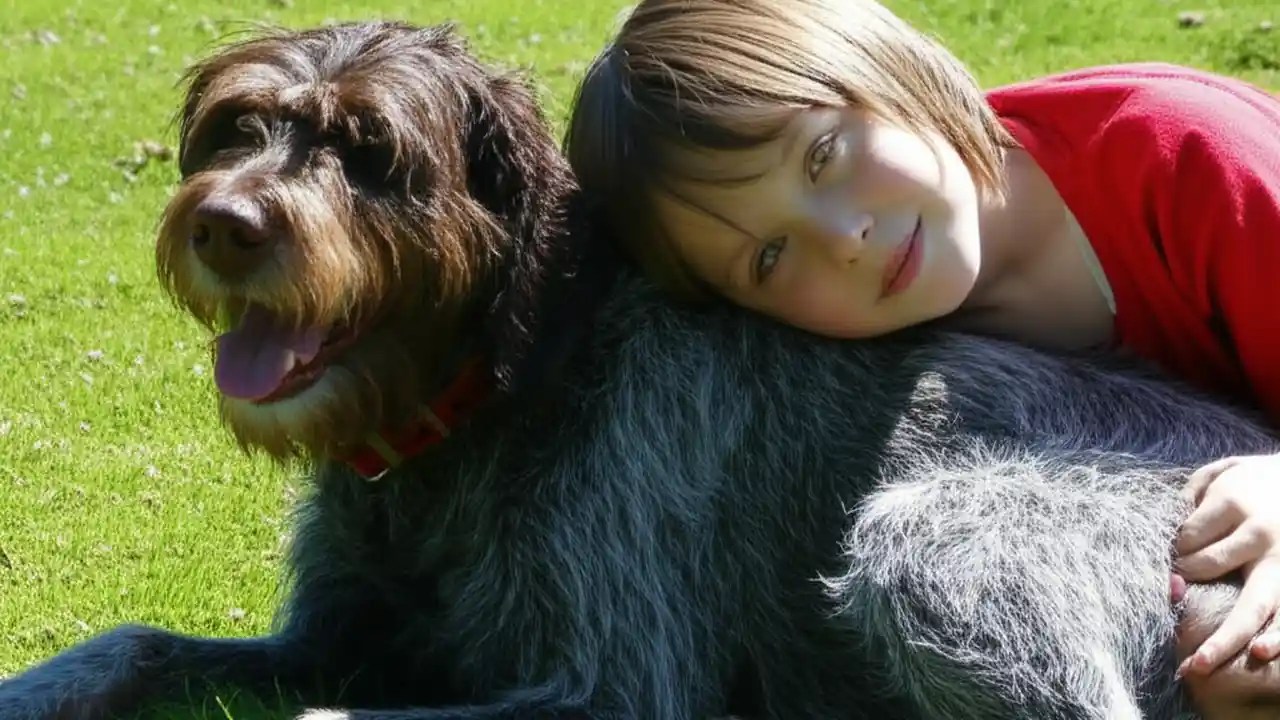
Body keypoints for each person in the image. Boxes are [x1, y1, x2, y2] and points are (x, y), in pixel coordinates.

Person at [564, 0, 1280, 700]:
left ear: (883, 66)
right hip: (1178, 537)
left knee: (1244, 659)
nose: (844, 238)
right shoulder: (884, 342)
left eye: (824, 156)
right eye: (771, 257)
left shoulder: (1185, 157)